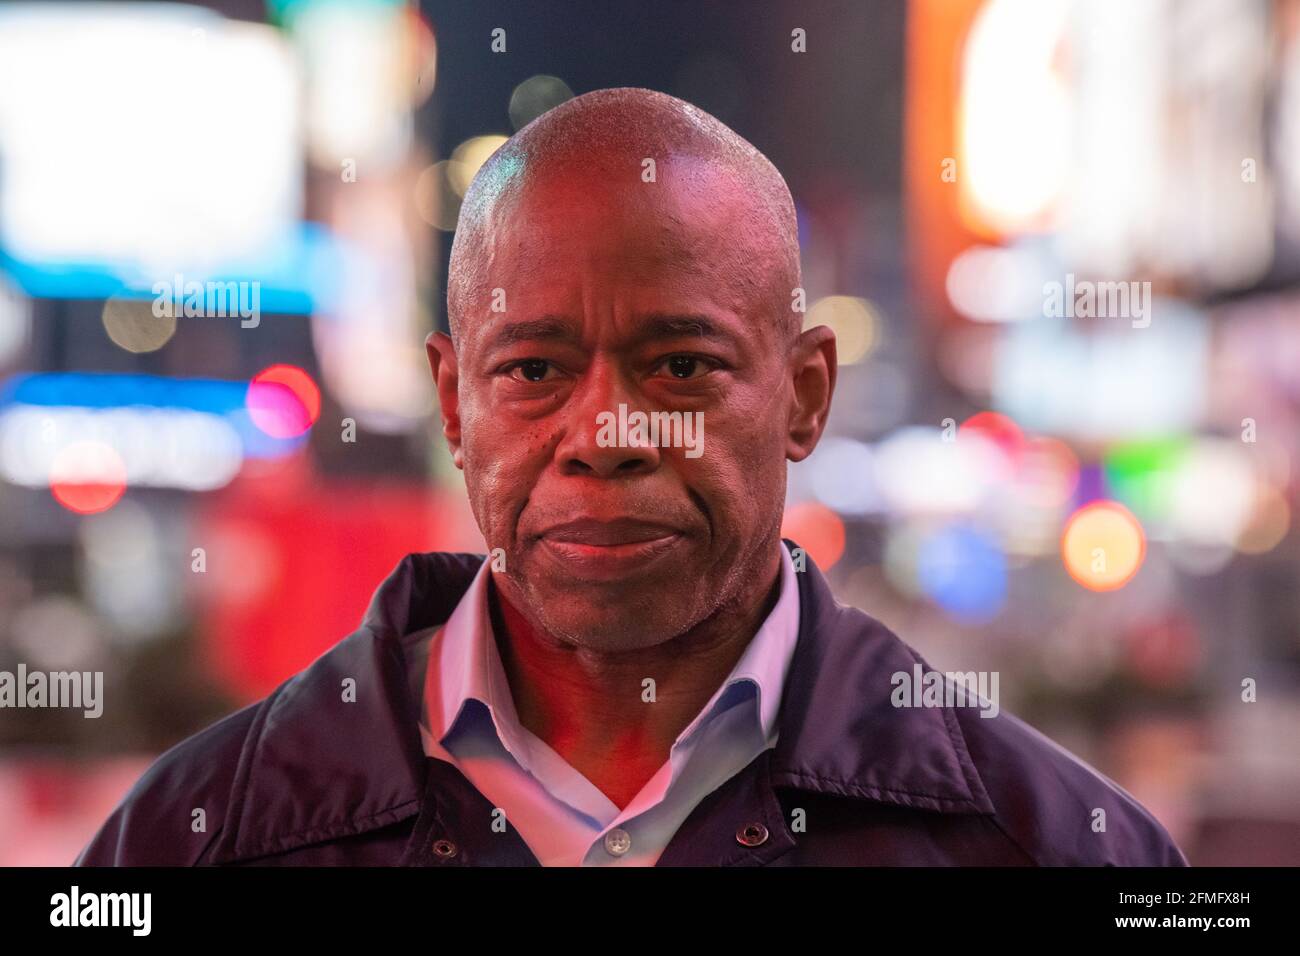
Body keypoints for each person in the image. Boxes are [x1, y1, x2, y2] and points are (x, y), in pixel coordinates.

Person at [76, 88, 1187, 866]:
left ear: (804, 395)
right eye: (534, 369)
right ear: (454, 403)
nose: (605, 430)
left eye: (682, 364)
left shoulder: (1053, 843)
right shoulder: (195, 836)